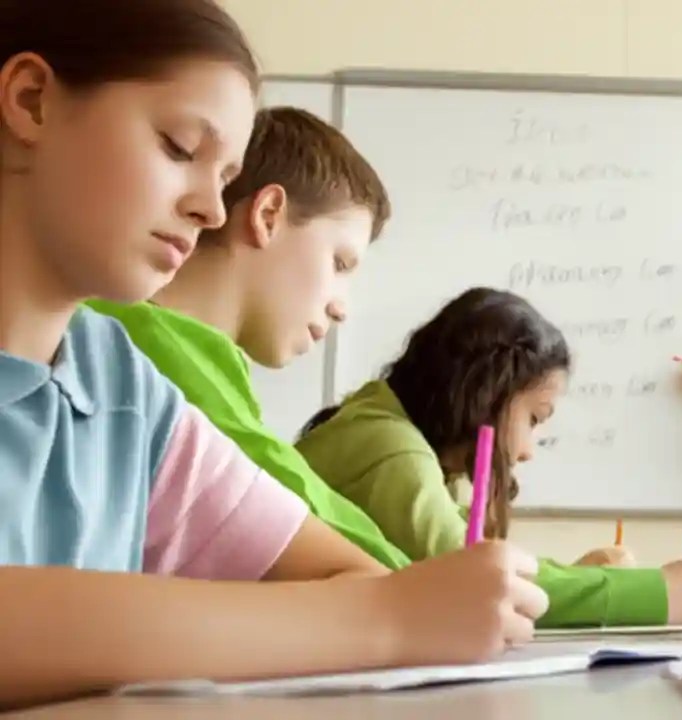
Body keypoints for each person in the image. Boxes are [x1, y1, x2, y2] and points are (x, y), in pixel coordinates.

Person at [0, 1, 544, 708]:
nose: (212, 210)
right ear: (32, 100)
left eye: (225, 180)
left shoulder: (124, 385)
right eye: (177, 147)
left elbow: (349, 578)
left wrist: (380, 613)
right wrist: (383, 621)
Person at [296, 287, 682, 627]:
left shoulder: (387, 432)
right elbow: (478, 584)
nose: (526, 451)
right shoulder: (392, 450)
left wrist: (575, 574)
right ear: (488, 393)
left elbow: (480, 565)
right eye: (534, 418)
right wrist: (663, 593)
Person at [90, 106, 410, 569]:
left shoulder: (196, 358)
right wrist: (443, 588)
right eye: (339, 264)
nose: (342, 306)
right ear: (268, 214)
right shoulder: (137, 346)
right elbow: (299, 511)